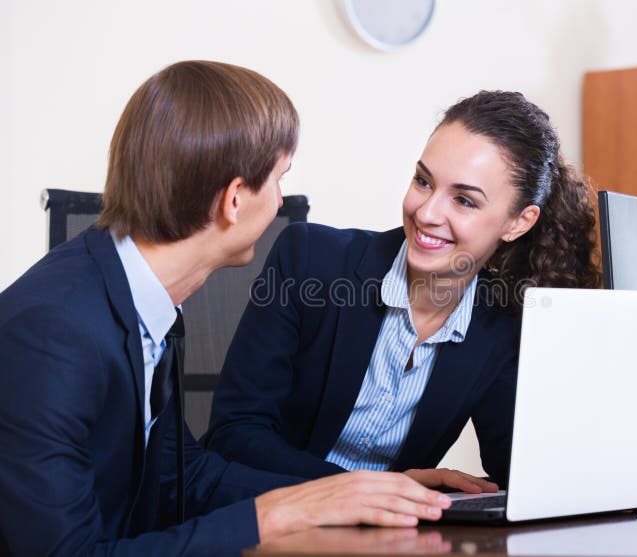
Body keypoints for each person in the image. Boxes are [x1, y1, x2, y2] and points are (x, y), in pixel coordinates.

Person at [0, 60, 453, 557]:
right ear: (235, 199)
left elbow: (183, 474)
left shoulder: (145, 301)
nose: (281, 201)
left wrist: (341, 494)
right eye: (279, 179)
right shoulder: (52, 335)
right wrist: (272, 516)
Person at [205, 90, 602, 489]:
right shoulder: (310, 260)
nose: (427, 213)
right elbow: (235, 436)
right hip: (263, 517)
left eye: (463, 200)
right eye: (423, 181)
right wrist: (374, 490)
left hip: (386, 534)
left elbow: (518, 469)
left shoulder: (499, 325)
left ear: (518, 222)